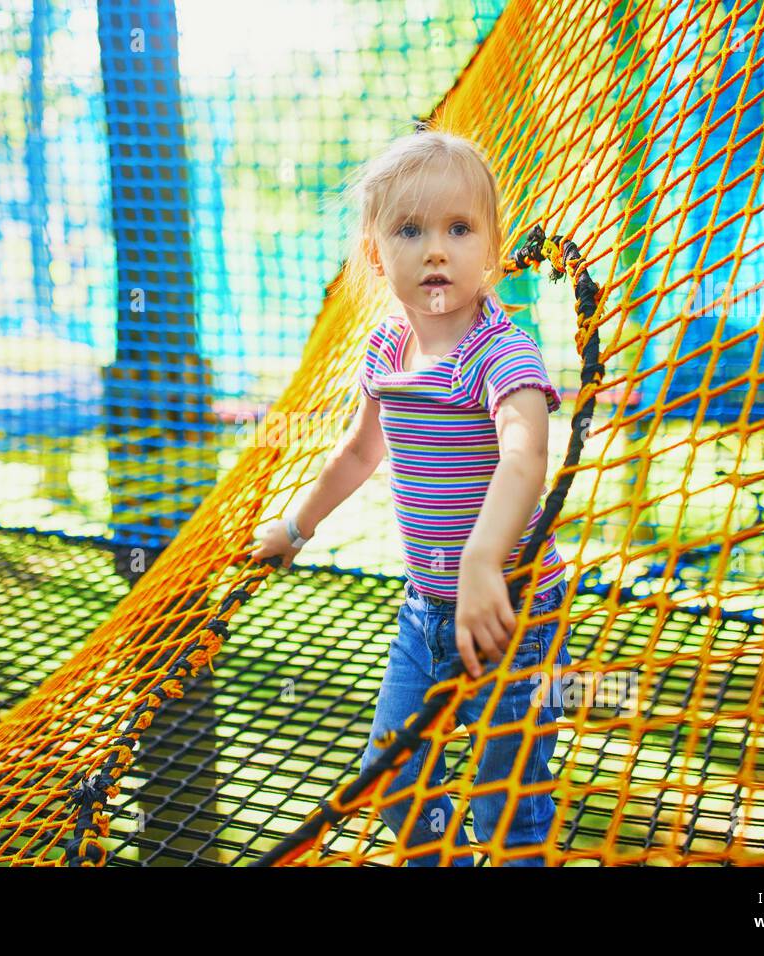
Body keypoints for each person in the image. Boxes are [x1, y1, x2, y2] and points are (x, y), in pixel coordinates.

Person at [251, 128, 573, 866]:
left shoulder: (503, 351)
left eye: (459, 229)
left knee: (509, 805)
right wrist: (296, 528)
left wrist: (483, 559)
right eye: (411, 230)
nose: (437, 250)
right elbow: (360, 451)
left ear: (491, 247)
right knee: (392, 782)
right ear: (376, 255)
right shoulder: (387, 348)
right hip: (425, 612)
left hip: (512, 609)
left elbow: (526, 455)